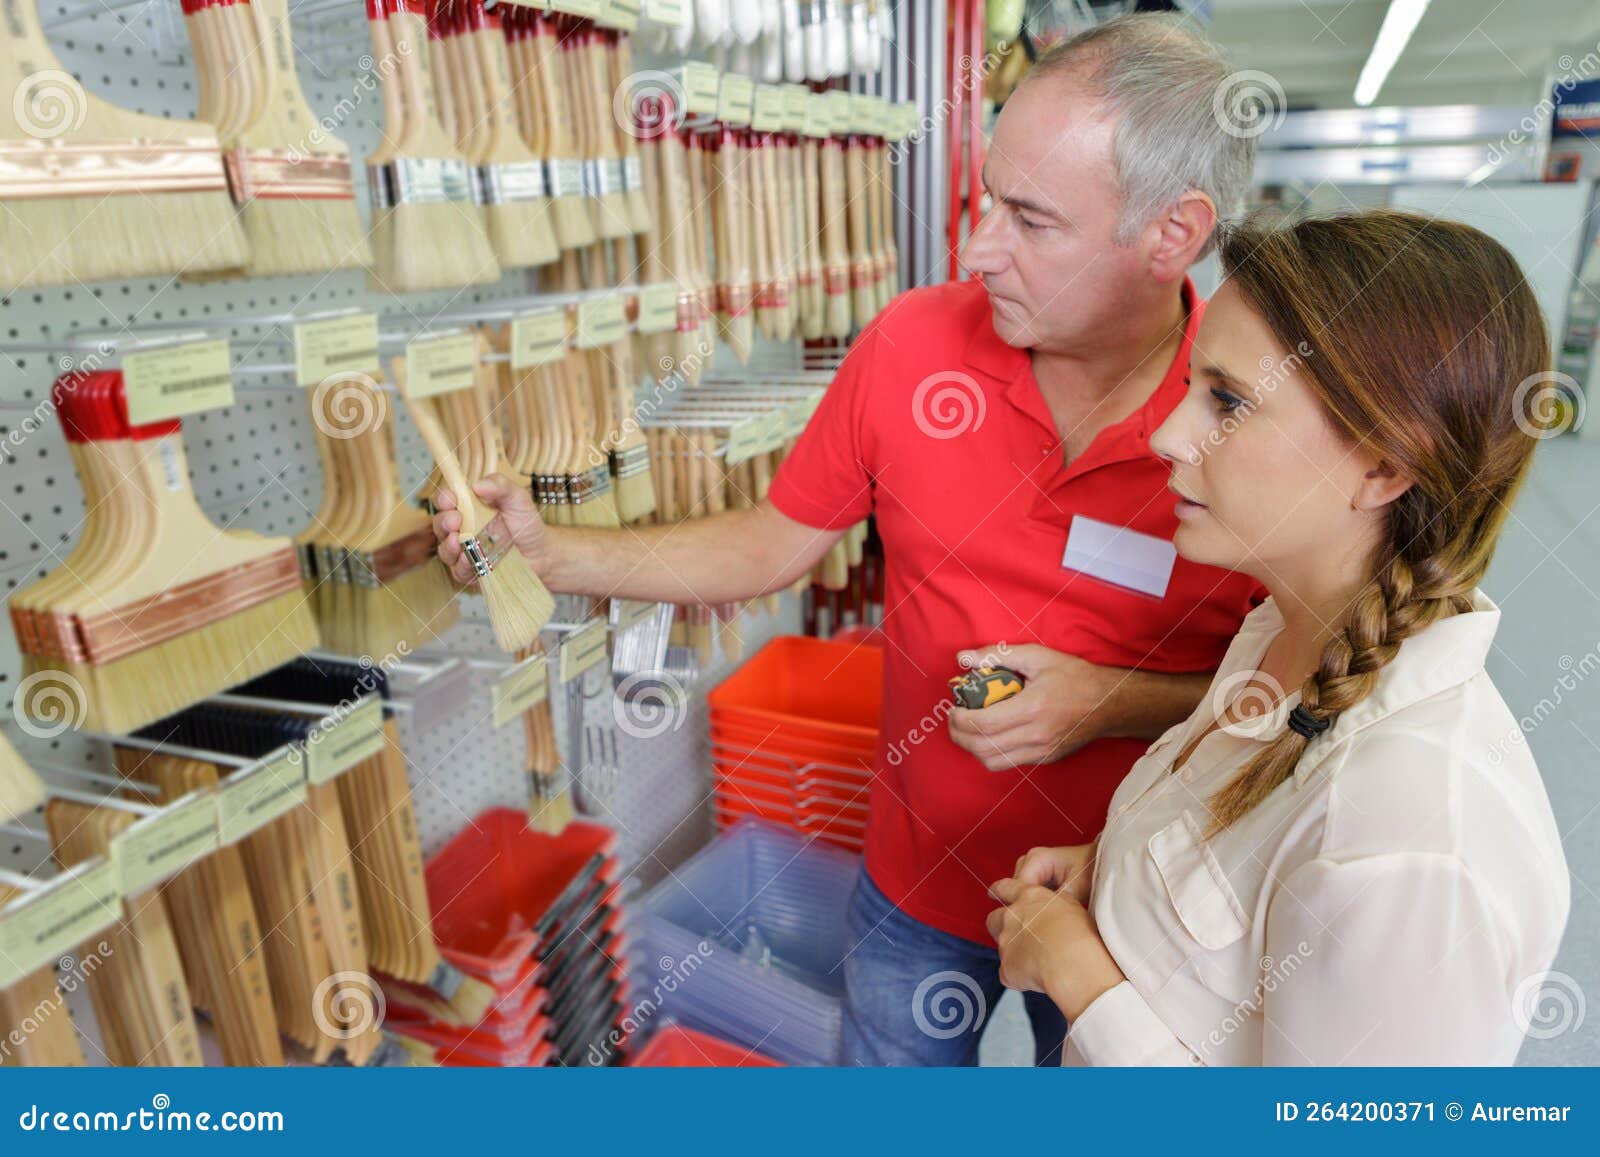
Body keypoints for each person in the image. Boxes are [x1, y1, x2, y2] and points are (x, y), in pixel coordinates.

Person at [431, 15, 1265, 1065]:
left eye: (1030, 219)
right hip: (911, 888)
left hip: (1129, 914)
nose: (978, 247)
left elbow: (1304, 700)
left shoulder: (1251, 418)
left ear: (1171, 234)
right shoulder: (914, 344)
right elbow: (771, 541)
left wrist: (1114, 699)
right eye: (985, 197)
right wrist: (551, 553)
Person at [988, 210, 1573, 1065]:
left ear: (1384, 465)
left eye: (1226, 400)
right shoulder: (1283, 627)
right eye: (1191, 385)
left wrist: (1080, 975)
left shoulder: (1409, 842)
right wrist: (1121, 880)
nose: (1166, 435)